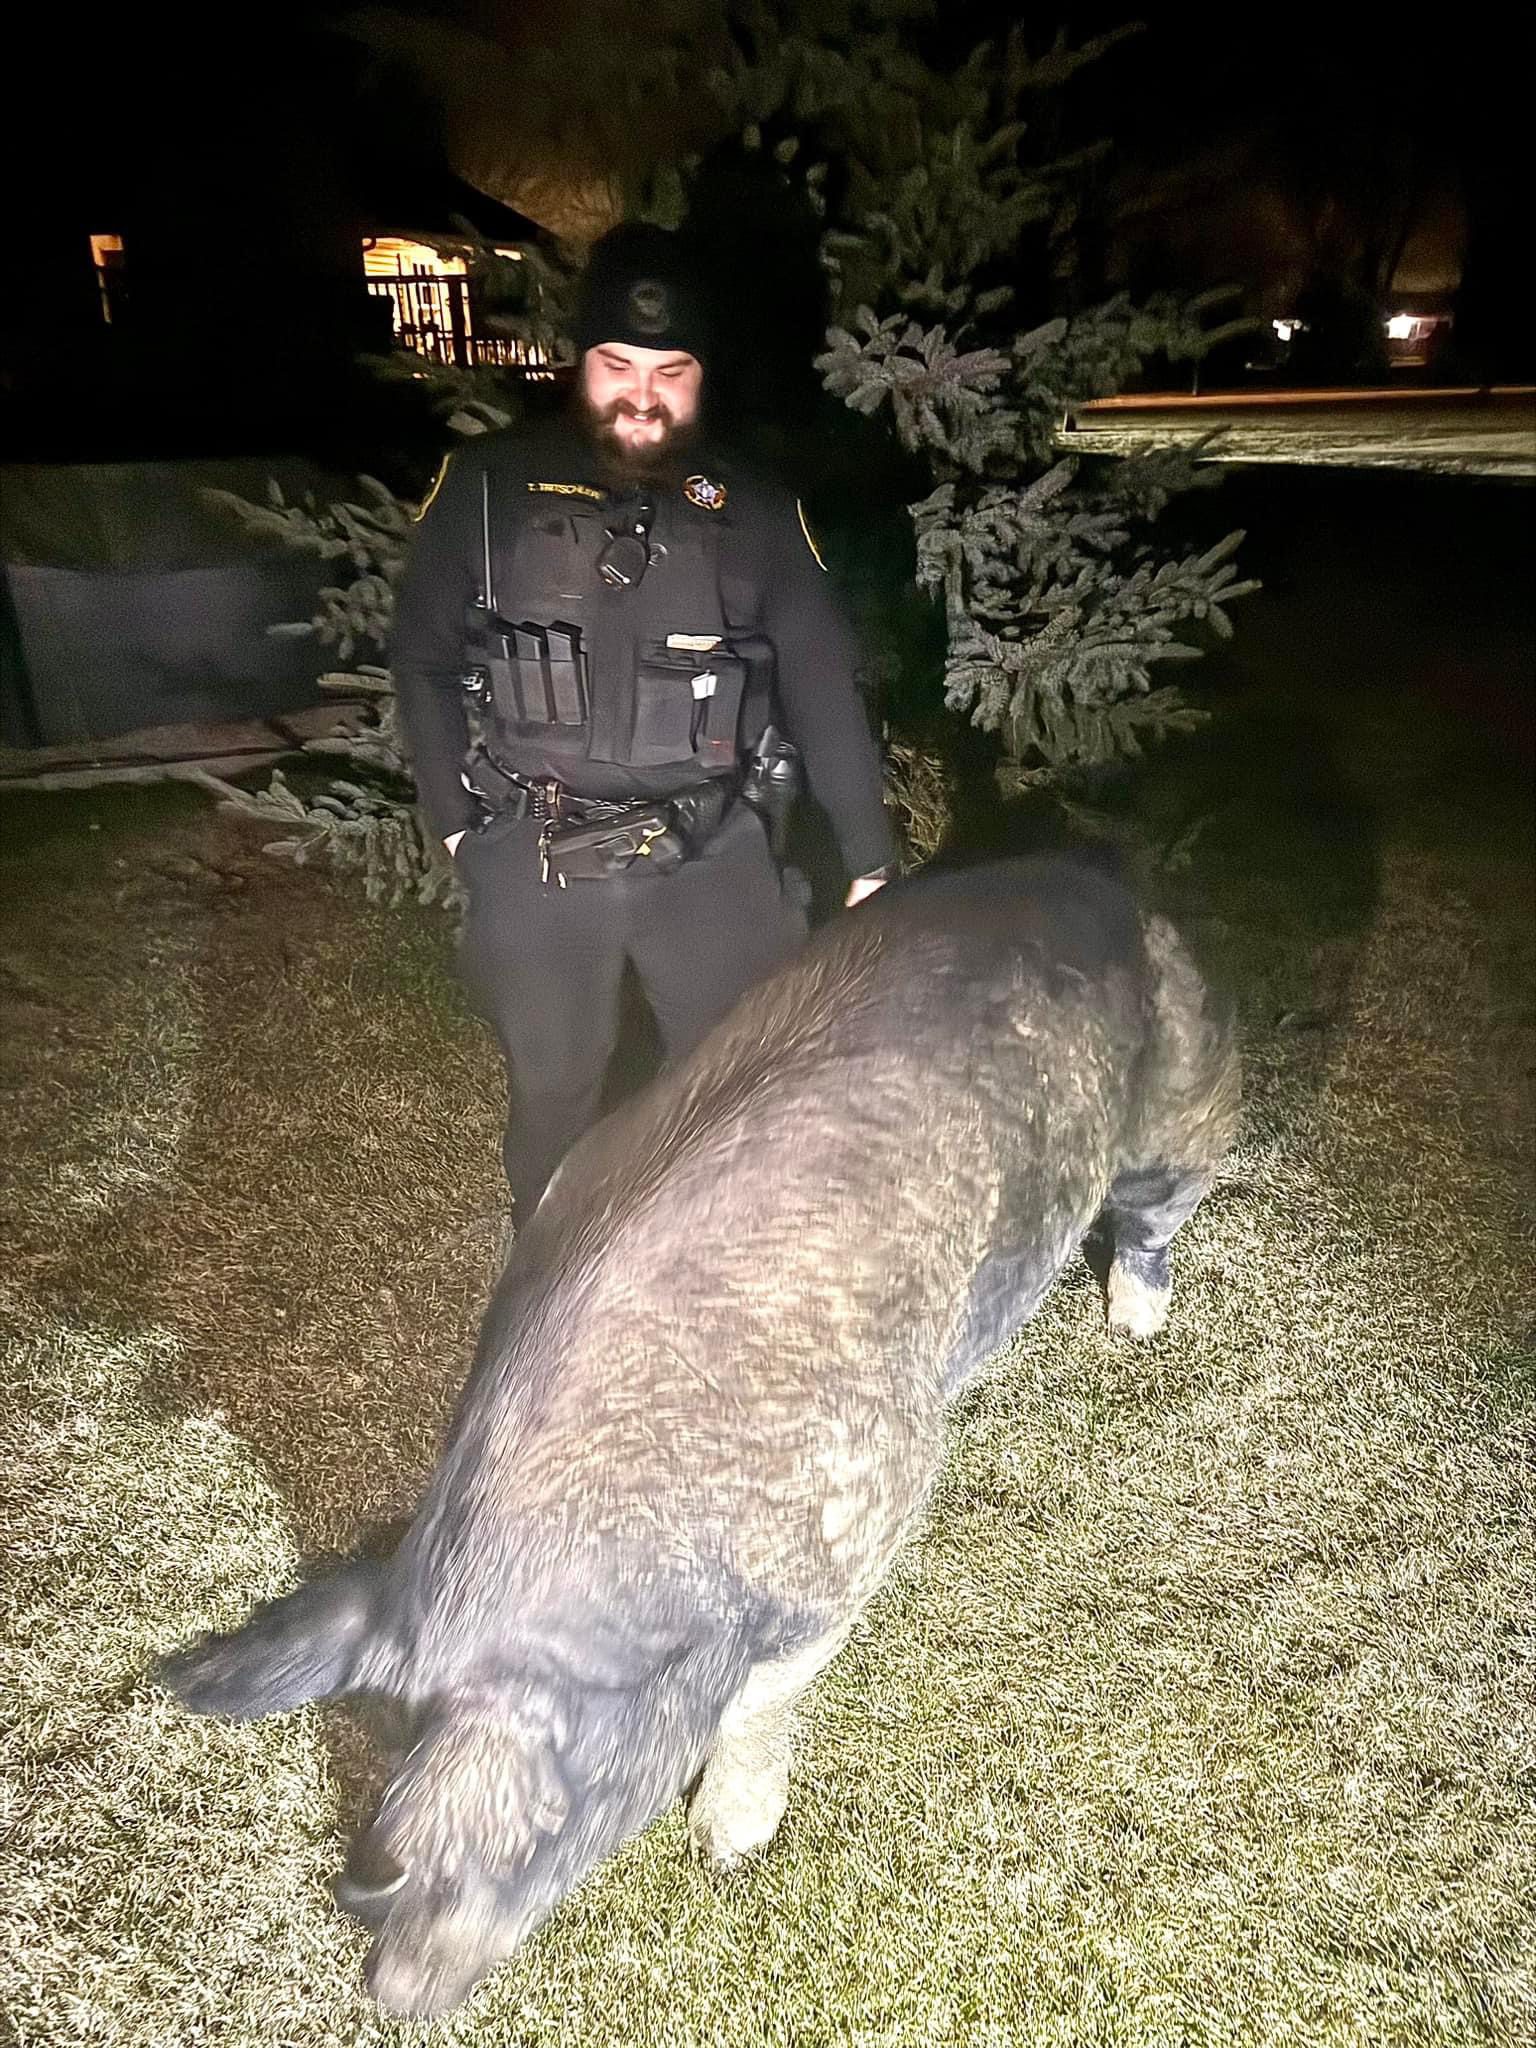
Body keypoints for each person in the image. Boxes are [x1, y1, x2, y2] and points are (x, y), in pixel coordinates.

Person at [391, 224, 898, 1213]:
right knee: (555, 1094)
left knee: (733, 1087)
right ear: (582, 364)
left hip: (710, 853)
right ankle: (548, 1267)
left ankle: (714, 1259)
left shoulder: (755, 510)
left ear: (702, 378)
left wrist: (870, 855)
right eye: (618, 364)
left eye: (672, 370)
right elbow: (422, 657)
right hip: (536, 853)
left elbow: (822, 684)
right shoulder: (486, 490)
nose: (642, 394)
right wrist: (453, 821)